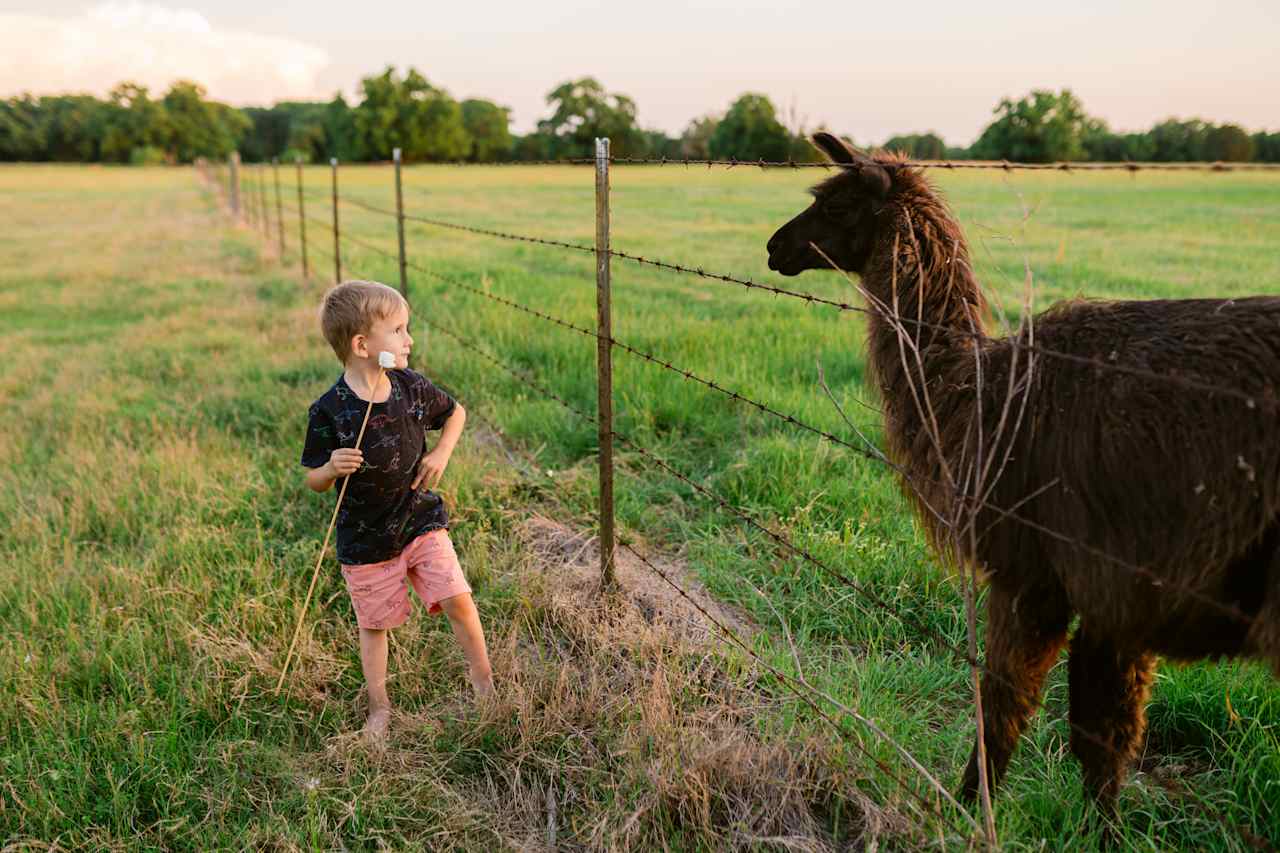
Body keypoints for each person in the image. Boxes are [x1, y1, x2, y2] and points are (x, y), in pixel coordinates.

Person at [300, 279, 493, 740]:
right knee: (376, 625)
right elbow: (313, 480)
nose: (409, 340)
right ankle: (379, 707)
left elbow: (457, 413)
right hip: (367, 538)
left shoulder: (410, 387)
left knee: (458, 598)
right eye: (399, 330)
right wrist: (330, 467)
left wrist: (441, 453)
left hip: (419, 518)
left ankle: (486, 685)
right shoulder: (329, 410)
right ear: (363, 345)